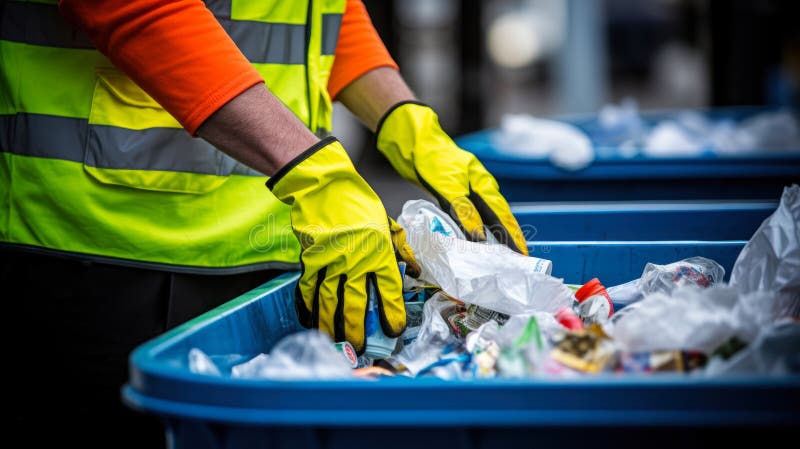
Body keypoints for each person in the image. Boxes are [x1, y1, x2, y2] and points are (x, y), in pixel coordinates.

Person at [1, 0, 528, 446]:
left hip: (277, 238)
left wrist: (401, 116)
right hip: (111, 243)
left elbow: (318, 14)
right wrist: (312, 170)